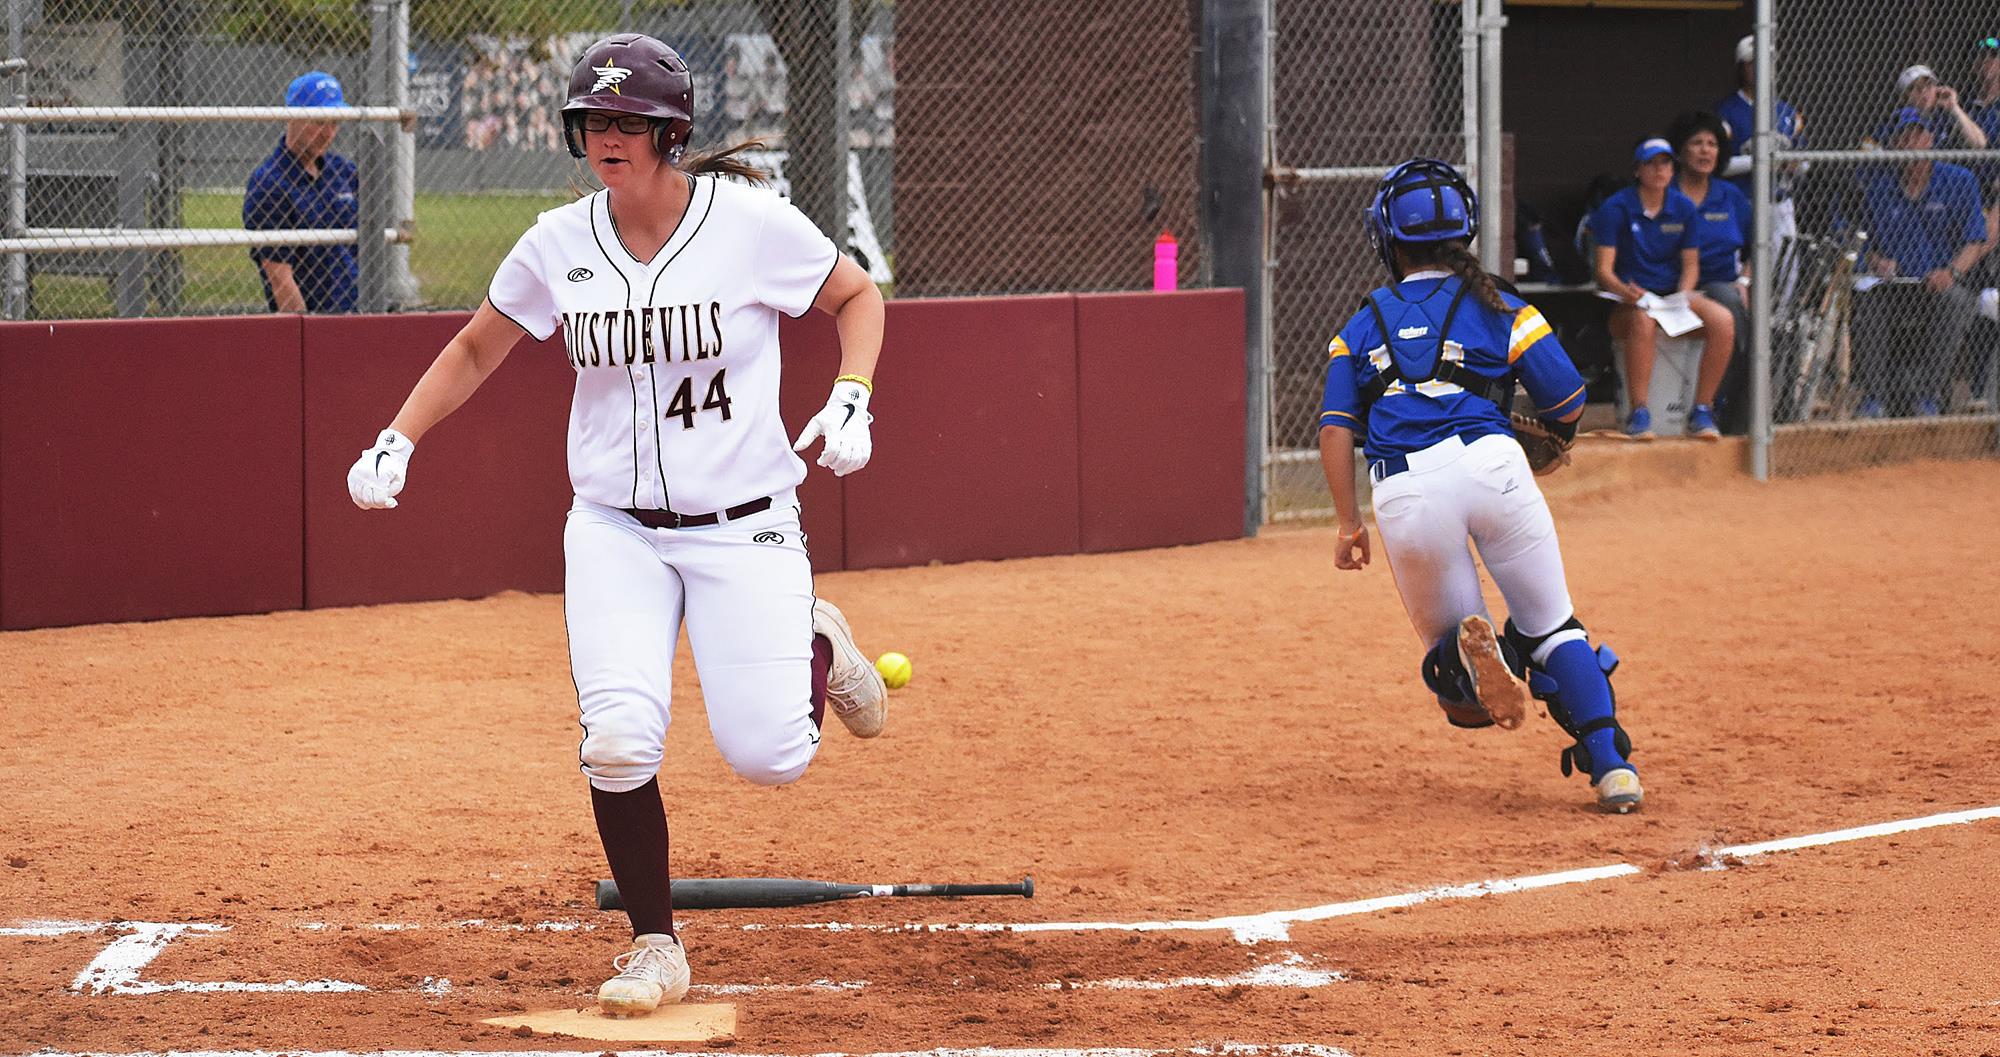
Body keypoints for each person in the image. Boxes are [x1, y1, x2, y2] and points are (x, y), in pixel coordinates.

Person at [342, 33, 890, 1017]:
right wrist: (398, 438)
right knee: (618, 740)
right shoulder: (558, 242)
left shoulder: (747, 224)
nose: (608, 135)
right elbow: (475, 347)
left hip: (744, 522)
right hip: (614, 528)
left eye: (629, 120)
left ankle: (817, 635)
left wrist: (852, 393)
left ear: (671, 132)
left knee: (771, 755)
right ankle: (655, 944)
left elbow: (855, 295)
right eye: (593, 119)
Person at [1318, 159, 1642, 815]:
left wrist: (1349, 523)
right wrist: (1557, 436)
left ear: (1386, 238)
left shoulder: (1360, 324)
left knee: (1461, 699)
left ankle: (1479, 652)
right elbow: (1570, 396)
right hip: (1493, 463)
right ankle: (1612, 767)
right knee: (1555, 624)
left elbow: (1334, 428)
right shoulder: (1502, 304)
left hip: (1406, 487)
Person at [1589, 138, 1734, 439]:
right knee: (1643, 320)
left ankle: (1703, 410)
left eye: (1666, 163)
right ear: (1638, 170)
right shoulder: (1616, 208)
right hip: (1630, 302)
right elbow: (1603, 271)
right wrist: (1625, 291)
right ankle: (1639, 413)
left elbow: (1691, 264)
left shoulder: (1683, 207)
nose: (1660, 170)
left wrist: (1683, 294)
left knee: (1723, 320)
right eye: (1651, 163)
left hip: (1672, 299)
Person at [1851, 109, 1987, 418]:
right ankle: (1875, 397)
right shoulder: (1879, 188)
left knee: (1954, 304)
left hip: (1940, 284)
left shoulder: (1959, 180)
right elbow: (1863, 240)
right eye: (1904, 136)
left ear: (1930, 139)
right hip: (1895, 286)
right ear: (1895, 144)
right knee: (1868, 303)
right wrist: (1876, 261)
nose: (1912, 142)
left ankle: (1929, 395)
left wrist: (1951, 272)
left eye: (1918, 135)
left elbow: (1975, 241)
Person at [244, 71, 359, 313]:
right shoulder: (269, 183)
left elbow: (366, 253)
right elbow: (279, 278)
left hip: (356, 314)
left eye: (335, 123)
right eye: (319, 122)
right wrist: (306, 333)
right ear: (292, 117)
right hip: (312, 320)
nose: (328, 133)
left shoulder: (344, 172)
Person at [1669, 110, 1754, 434]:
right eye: (1697, 143)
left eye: (1712, 144)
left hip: (1721, 284)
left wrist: (1745, 281)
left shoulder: (1730, 196)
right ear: (1681, 150)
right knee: (1728, 306)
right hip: (1674, 285)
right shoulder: (1668, 192)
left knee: (1731, 303)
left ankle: (1728, 415)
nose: (1706, 151)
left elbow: (1754, 250)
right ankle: (1716, 411)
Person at [1715, 34, 1806, 246]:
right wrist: (1761, 162)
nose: (1761, 68)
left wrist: (1794, 165)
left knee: (1787, 275)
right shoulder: (1726, 112)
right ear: (1741, 68)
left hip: (1780, 202)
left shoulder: (1788, 112)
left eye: (1767, 62)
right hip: (1742, 201)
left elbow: (1805, 162)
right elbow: (1719, 165)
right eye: (1753, 63)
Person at [1870, 64, 1988, 152]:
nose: (1923, 92)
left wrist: (1954, 107)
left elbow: (1979, 144)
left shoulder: (1945, 117)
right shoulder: (1895, 120)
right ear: (1904, 97)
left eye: (1928, 85)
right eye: (1914, 88)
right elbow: (1867, 150)